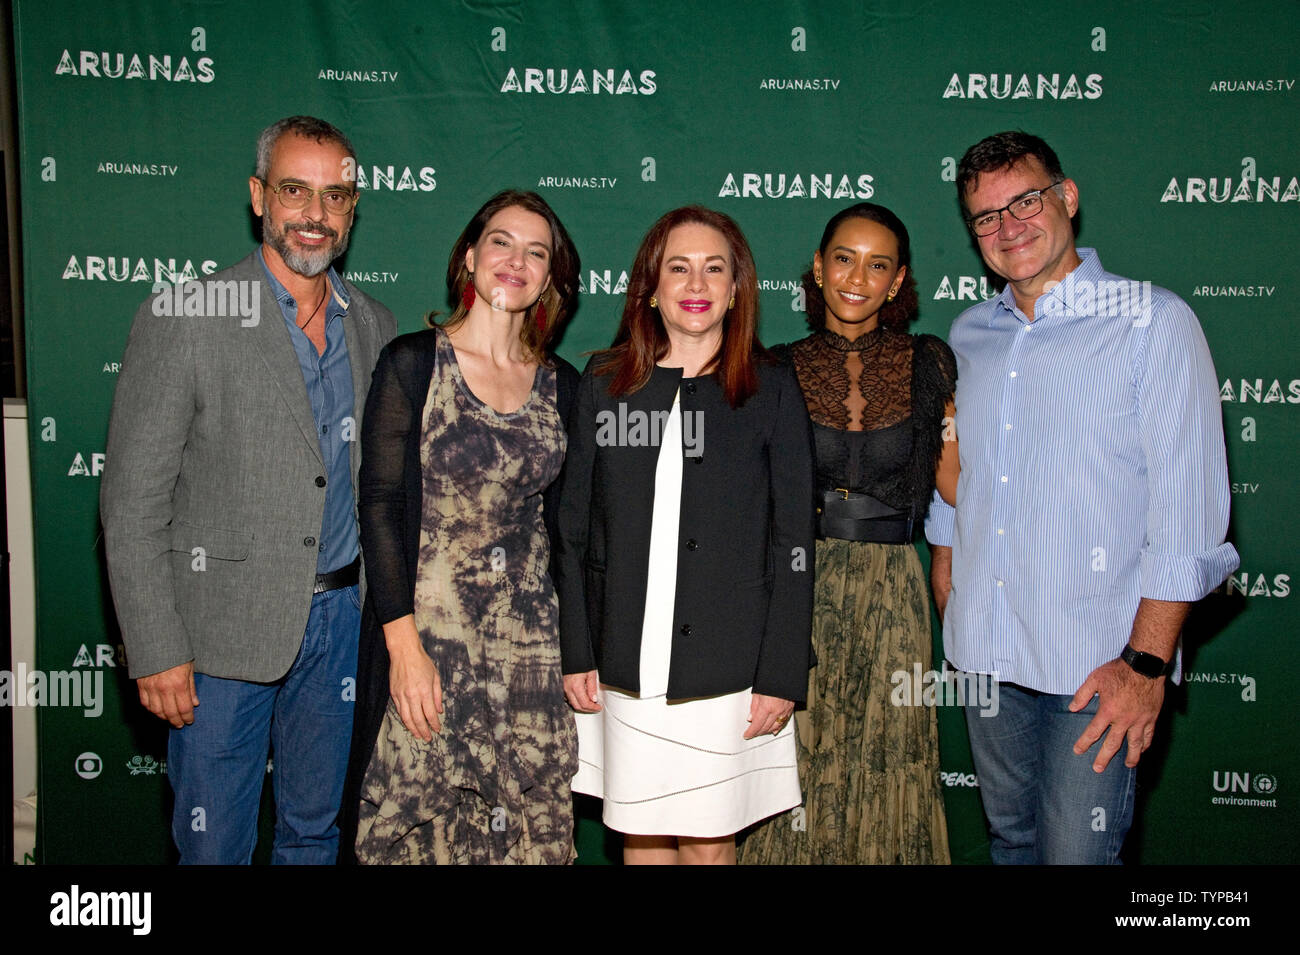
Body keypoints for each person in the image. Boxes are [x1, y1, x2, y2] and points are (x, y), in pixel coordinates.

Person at [926, 131, 1239, 864]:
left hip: (1099, 661)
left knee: (1076, 856)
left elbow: (1189, 517)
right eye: (986, 217)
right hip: (990, 649)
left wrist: (1147, 665)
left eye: (1024, 202)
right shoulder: (969, 334)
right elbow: (959, 464)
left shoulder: (1152, 322)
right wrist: (946, 554)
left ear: (1066, 198)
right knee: (1012, 844)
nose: (1008, 228)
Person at [100, 116, 396, 864]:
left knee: (314, 835)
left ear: (353, 210)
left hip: (338, 627)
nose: (315, 214)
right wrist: (156, 646)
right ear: (259, 195)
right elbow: (131, 501)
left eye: (336, 196)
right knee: (214, 849)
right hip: (217, 640)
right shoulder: (187, 317)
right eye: (296, 190)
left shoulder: (375, 326)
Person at [556, 206, 815, 865]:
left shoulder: (772, 390)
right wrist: (578, 651)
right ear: (649, 285)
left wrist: (781, 672)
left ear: (736, 289)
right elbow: (573, 529)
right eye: (679, 266)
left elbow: (793, 543)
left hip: (730, 670)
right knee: (641, 838)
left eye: (714, 268)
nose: (696, 281)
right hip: (626, 665)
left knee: (708, 845)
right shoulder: (607, 386)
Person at [343, 190, 582, 864]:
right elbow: (381, 506)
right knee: (423, 831)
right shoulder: (414, 363)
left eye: (537, 252)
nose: (517, 260)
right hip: (432, 645)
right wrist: (403, 646)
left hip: (531, 654)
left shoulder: (562, 384)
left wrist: (579, 655)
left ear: (548, 278)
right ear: (470, 257)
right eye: (502, 242)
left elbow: (565, 533)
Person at [739, 203, 956, 865]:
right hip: (801, 583)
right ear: (817, 267)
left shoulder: (929, 362)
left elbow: (955, 487)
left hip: (893, 590)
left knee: (891, 757)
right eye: (844, 257)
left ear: (897, 282)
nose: (857, 276)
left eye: (878, 263)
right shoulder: (774, 367)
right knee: (798, 758)